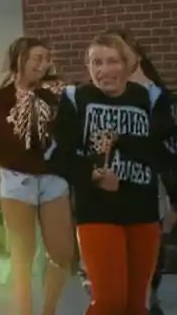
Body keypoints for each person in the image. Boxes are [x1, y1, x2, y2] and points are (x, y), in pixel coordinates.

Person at [51, 33, 177, 314]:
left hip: (142, 211)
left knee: (136, 306)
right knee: (109, 303)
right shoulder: (76, 99)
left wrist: (121, 139)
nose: (104, 70)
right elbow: (57, 155)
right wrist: (93, 174)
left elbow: (166, 153)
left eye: (112, 62)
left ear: (127, 64)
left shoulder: (150, 98)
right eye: (96, 62)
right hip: (96, 211)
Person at [0, 36, 74, 315]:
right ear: (19, 60)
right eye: (37, 58)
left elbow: (68, 133)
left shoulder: (57, 94)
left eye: (47, 58)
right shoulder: (1, 98)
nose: (43, 64)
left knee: (62, 252)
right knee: (22, 254)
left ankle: (48, 310)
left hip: (52, 178)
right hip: (17, 178)